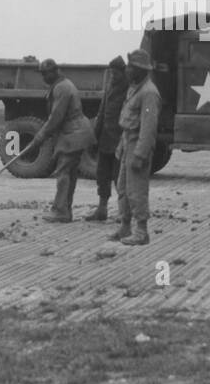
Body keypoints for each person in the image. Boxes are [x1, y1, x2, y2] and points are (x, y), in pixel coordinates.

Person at [27, 59, 94, 223]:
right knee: (69, 172)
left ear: (54, 71)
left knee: (63, 171)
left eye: (45, 74)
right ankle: (65, 210)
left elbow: (55, 118)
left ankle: (60, 211)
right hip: (75, 132)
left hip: (74, 134)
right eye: (42, 74)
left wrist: (39, 138)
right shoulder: (62, 84)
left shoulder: (62, 88)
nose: (43, 77)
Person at [109, 49, 160, 246]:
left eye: (131, 67)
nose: (127, 70)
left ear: (141, 70)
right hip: (127, 141)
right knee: (122, 187)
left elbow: (148, 128)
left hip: (138, 143)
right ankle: (125, 225)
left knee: (136, 189)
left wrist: (140, 154)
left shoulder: (149, 93)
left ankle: (141, 230)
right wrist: (122, 146)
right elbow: (127, 120)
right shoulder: (134, 88)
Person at [84, 56, 128, 221]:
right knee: (102, 176)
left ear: (122, 72)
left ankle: (123, 212)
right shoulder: (110, 87)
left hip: (119, 142)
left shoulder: (129, 89)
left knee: (119, 179)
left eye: (115, 73)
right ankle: (101, 209)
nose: (113, 76)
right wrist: (95, 137)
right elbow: (102, 113)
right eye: (111, 72)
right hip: (105, 140)